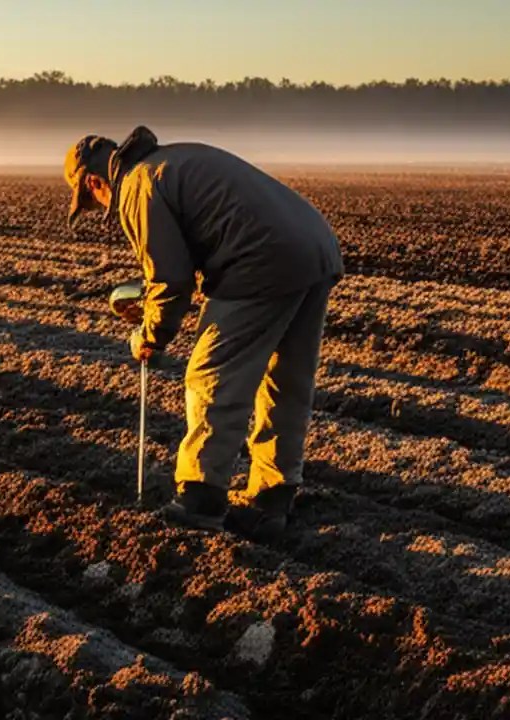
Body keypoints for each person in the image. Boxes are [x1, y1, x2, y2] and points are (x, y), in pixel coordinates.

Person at [64, 126, 344, 541]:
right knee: (285, 380)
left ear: (94, 181)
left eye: (94, 202)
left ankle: (200, 498)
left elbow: (170, 281)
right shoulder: (170, 161)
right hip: (315, 249)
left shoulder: (137, 186)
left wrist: (150, 336)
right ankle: (272, 499)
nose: (102, 209)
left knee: (211, 374)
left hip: (259, 259)